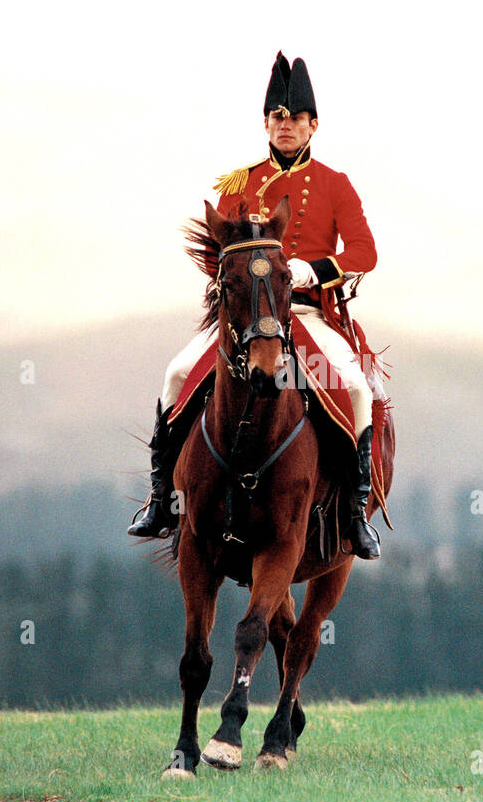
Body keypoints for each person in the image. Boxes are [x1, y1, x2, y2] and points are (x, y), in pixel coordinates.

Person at [129, 51, 383, 559]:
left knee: (353, 387)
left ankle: (354, 511)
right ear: (266, 123)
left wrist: (313, 270)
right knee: (176, 375)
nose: (285, 126)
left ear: (314, 125)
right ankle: (161, 499)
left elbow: (365, 253)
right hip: (245, 318)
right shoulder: (238, 184)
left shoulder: (335, 184)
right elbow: (216, 253)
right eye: (277, 118)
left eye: (295, 119)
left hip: (307, 313)